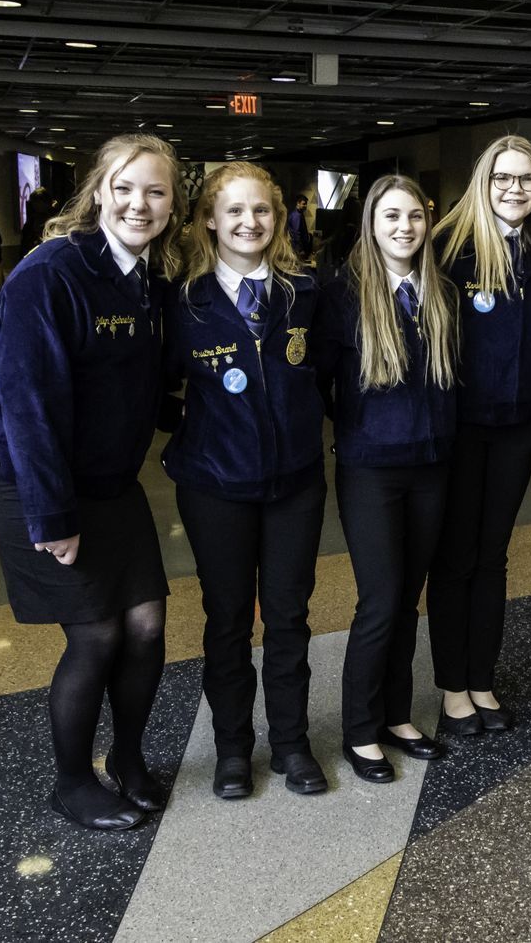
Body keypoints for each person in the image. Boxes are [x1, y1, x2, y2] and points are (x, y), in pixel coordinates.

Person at [0, 133, 184, 831]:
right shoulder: (51, 273)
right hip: (38, 484)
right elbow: (26, 403)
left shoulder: (149, 279)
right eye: (125, 187)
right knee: (94, 634)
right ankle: (72, 781)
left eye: (156, 191)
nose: (139, 203)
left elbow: (143, 386)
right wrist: (51, 514)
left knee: (148, 624)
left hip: (110, 485)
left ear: (172, 204)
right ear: (98, 191)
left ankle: (128, 759)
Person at [161, 162, 327, 800]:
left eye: (261, 210)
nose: (249, 222)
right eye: (234, 211)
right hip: (213, 486)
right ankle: (233, 747)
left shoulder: (304, 293)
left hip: (296, 485)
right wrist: (200, 430)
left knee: (289, 617)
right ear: (209, 219)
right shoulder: (185, 300)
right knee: (227, 619)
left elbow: (327, 374)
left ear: (278, 216)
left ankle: (291, 742)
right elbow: (156, 389)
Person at [319, 174, 458, 783]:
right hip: (371, 467)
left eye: (416, 217)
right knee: (379, 599)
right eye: (392, 217)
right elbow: (321, 380)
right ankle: (359, 729)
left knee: (409, 596)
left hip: (431, 465)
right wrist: (363, 423)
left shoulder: (441, 290)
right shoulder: (343, 294)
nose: (405, 228)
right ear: (371, 224)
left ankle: (398, 715)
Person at [427, 136, 531, 736]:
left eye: (527, 179)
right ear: (483, 181)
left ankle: (482, 678)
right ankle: (452, 687)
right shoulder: (449, 250)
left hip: (515, 429)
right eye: (503, 178)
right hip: (458, 429)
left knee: (493, 558)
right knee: (455, 559)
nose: (515, 189)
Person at [288, 194, 314, 260]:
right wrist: (300, 249)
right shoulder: (296, 216)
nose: (305, 206)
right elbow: (296, 233)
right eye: (304, 204)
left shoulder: (299, 214)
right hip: (297, 248)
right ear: (298, 203)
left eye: (306, 204)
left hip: (299, 246)